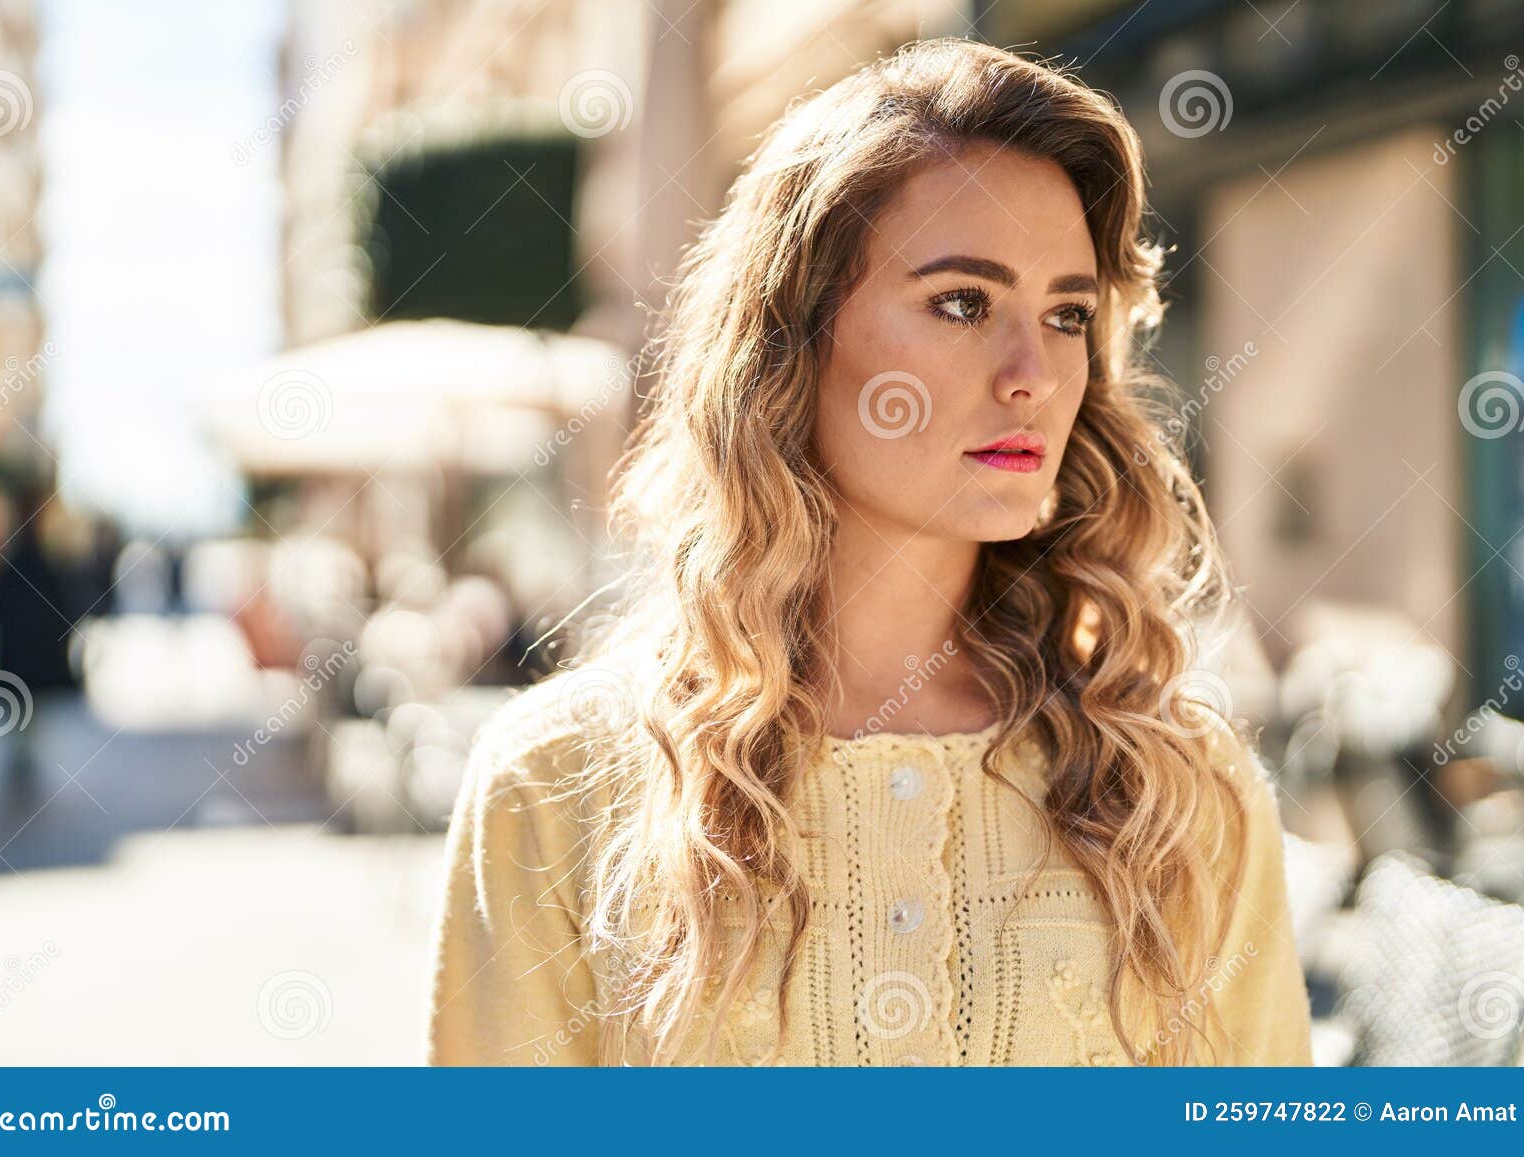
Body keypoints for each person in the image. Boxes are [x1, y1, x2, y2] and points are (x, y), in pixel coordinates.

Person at [426, 38, 1313, 1067]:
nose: (1033, 372)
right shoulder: (554, 779)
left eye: (1067, 314)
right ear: (792, 341)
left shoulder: (1178, 783)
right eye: (962, 302)